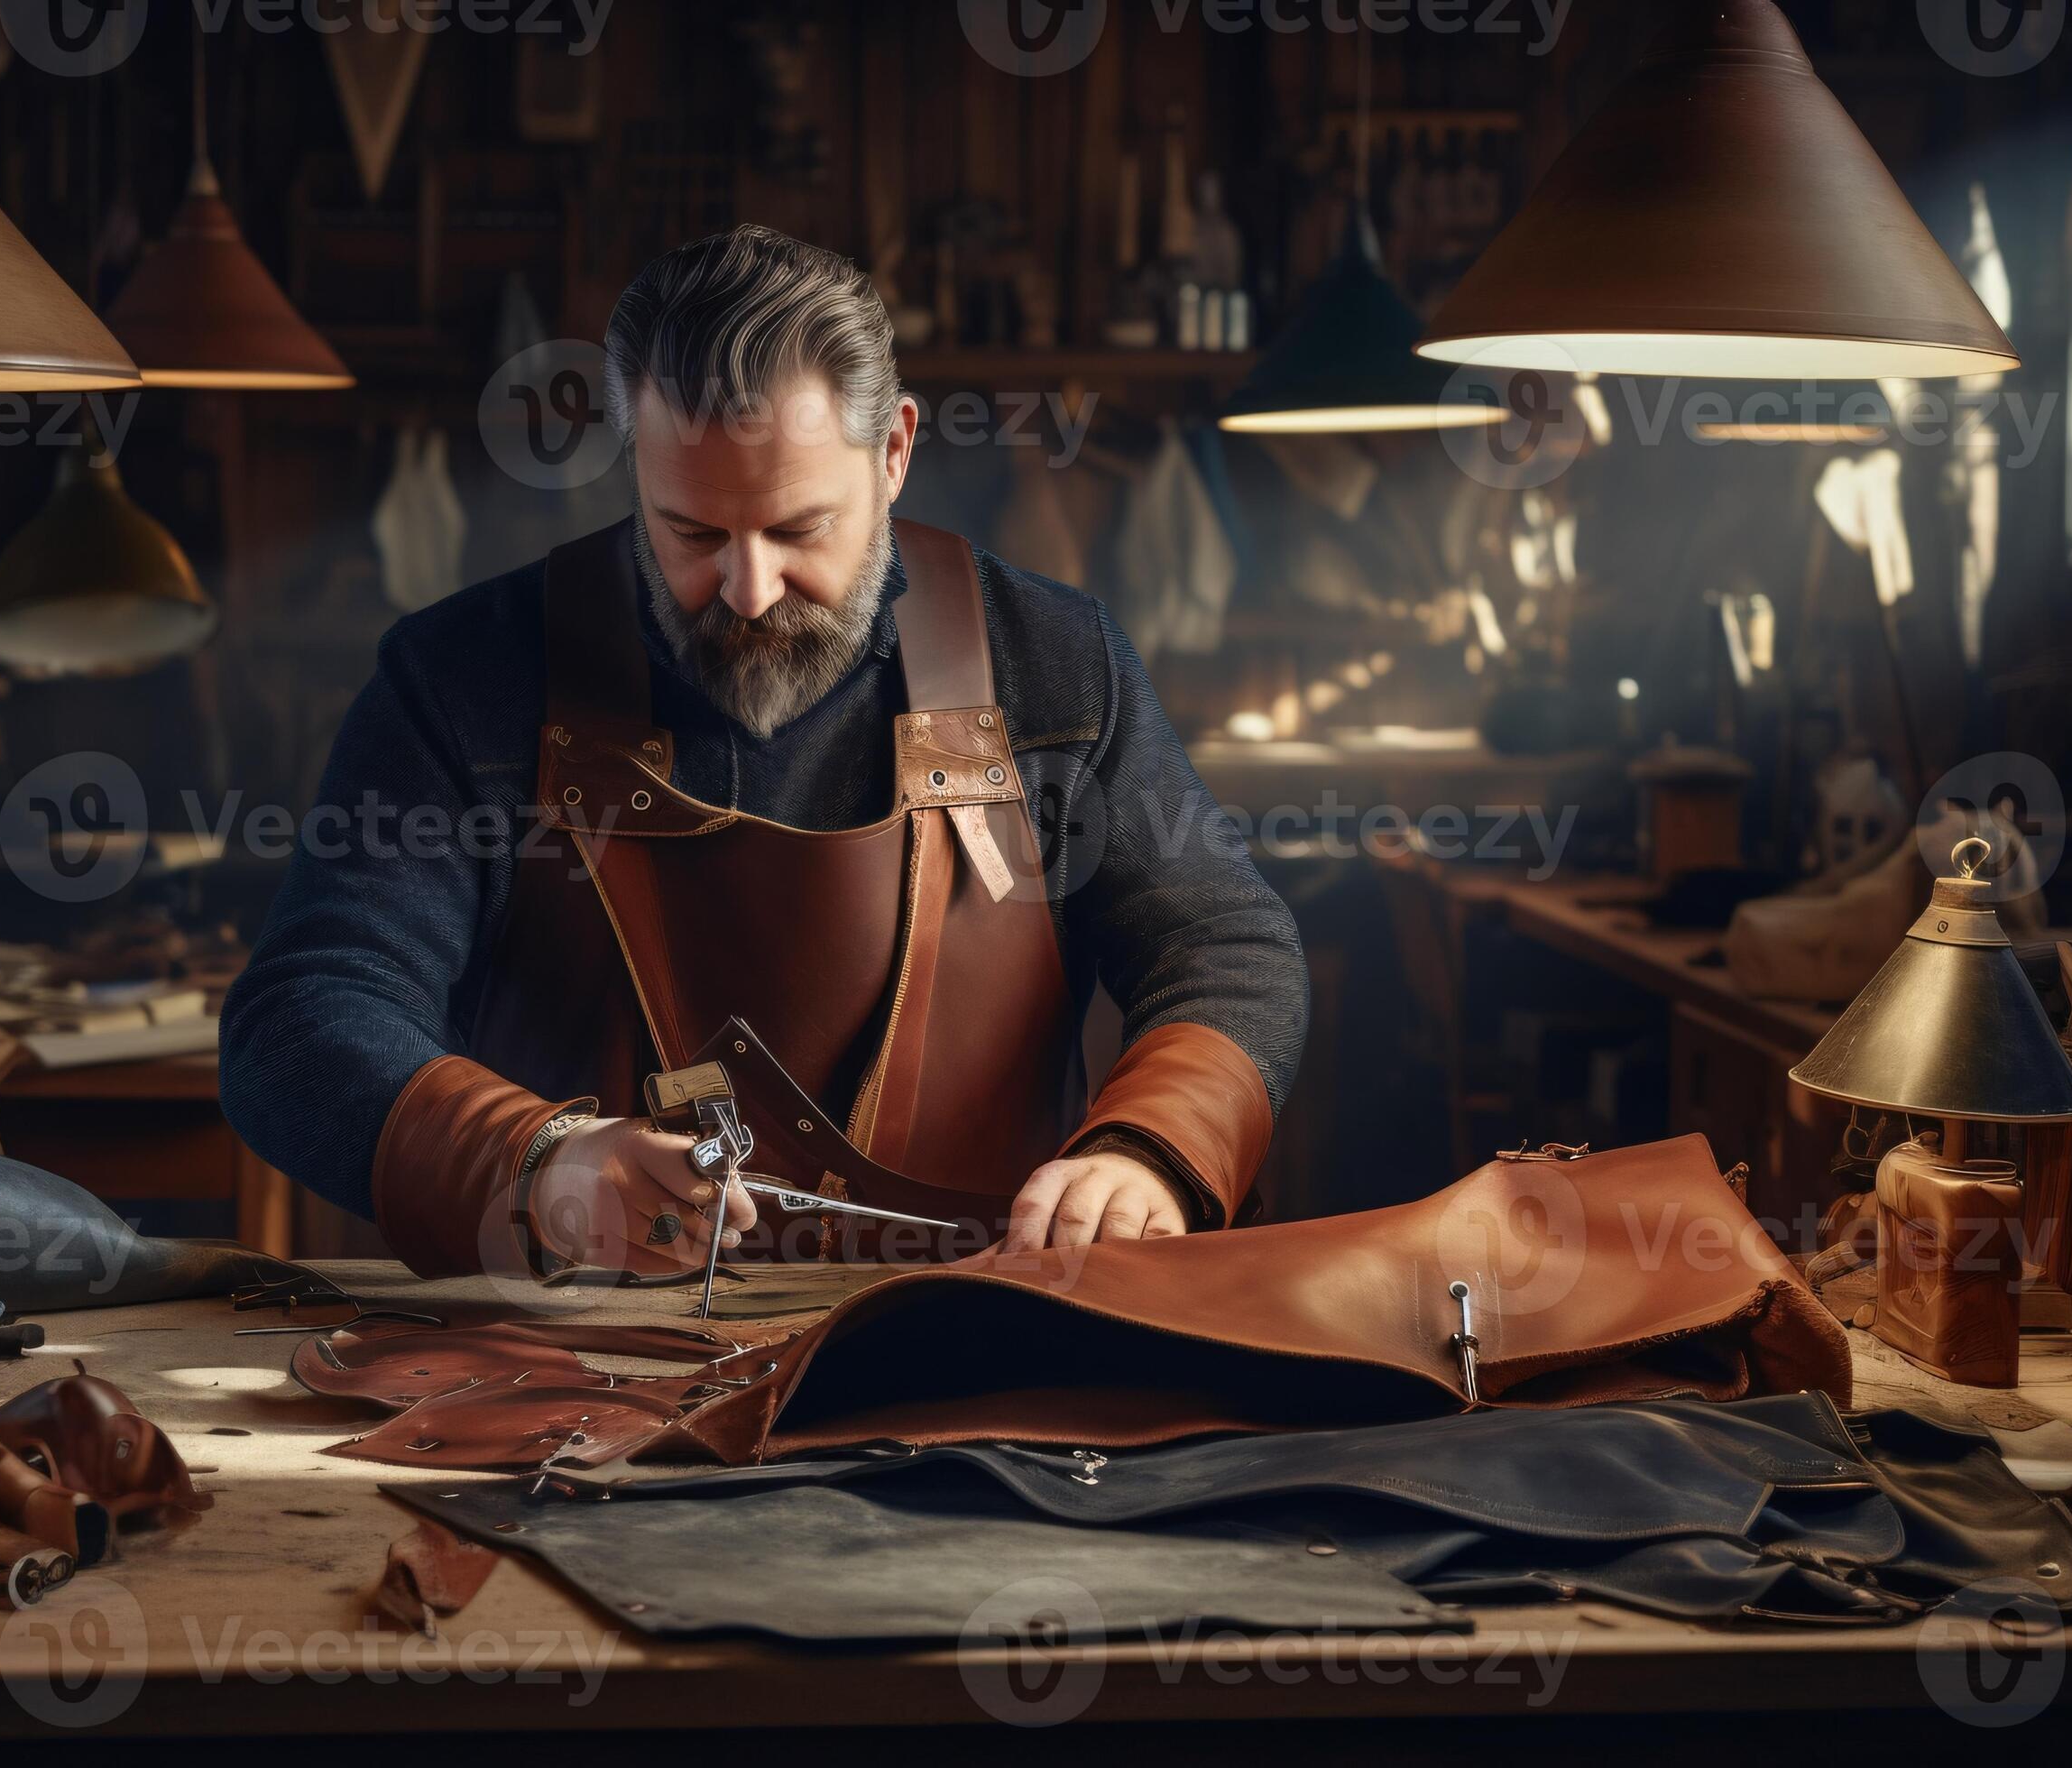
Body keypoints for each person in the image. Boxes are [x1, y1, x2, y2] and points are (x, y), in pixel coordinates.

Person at [221, 225, 1305, 1278]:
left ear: (894, 452)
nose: (747, 591)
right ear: (635, 463)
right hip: (569, 1377)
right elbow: (304, 1016)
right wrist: (535, 1159)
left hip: (984, 1351)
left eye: (797, 529)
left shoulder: (1056, 664)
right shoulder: (462, 678)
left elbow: (1222, 947)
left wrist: (1153, 1149)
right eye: (690, 532)